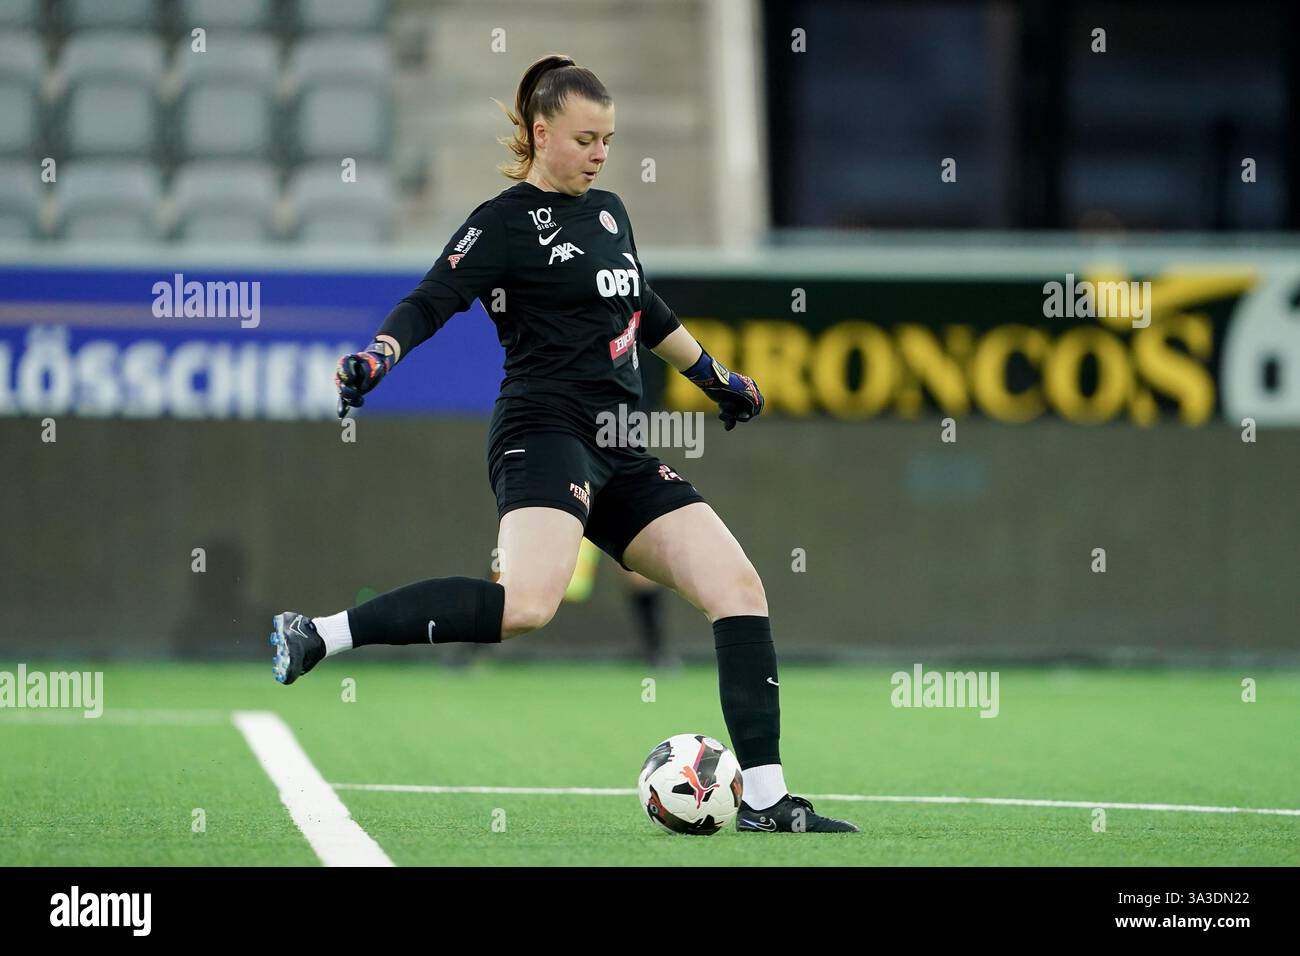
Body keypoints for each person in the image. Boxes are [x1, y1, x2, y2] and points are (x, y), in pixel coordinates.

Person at [269, 54, 857, 834]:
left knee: (740, 588)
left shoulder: (611, 212)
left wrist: (716, 377)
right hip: (542, 432)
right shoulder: (501, 223)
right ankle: (320, 635)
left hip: (619, 440)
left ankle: (767, 799)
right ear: (542, 134)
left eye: (608, 140)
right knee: (527, 607)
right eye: (585, 138)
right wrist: (379, 354)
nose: (599, 153)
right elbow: (432, 300)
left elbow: (641, 308)